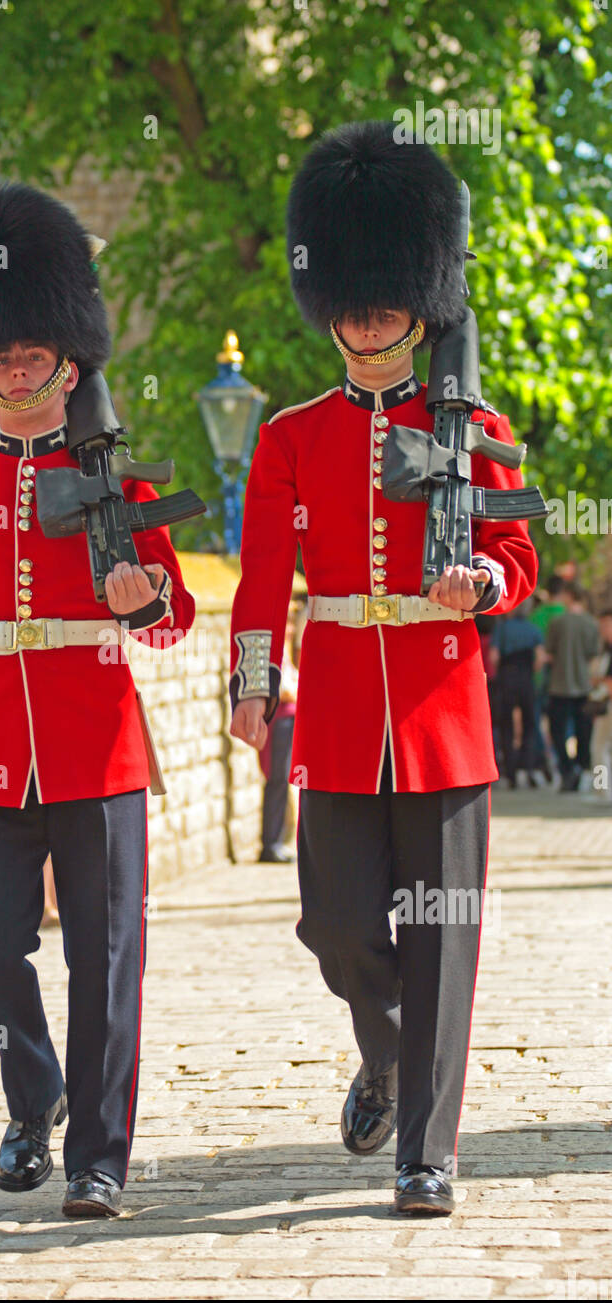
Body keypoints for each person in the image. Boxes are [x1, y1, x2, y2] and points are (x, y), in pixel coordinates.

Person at [229, 122, 538, 1216]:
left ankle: (428, 1154)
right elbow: (262, 577)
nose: (366, 319)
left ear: (420, 298)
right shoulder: (290, 437)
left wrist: (483, 587)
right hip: (343, 709)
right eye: (351, 302)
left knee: (442, 941)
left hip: (444, 708)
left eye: (384, 298)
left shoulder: (474, 425)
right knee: (339, 924)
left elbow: (515, 551)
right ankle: (390, 1056)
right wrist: (253, 685)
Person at [0, 180, 194, 1219]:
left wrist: (142, 592)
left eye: (33, 353)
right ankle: (36, 1094)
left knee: (105, 956)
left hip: (96, 748)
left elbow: (174, 616)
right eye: (1, 355)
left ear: (68, 360)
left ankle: (99, 1156)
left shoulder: (118, 481)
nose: (17, 368)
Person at [545, 582, 600, 791]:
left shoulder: (557, 622)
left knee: (558, 731)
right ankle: (580, 766)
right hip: (584, 684)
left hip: (559, 684)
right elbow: (593, 655)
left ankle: (567, 770)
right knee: (584, 731)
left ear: (568, 596)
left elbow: (549, 652)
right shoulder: (591, 623)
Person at [257, 602, 301, 862]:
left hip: (289, 718)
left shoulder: (284, 650)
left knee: (284, 781)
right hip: (279, 720)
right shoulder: (269, 651)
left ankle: (279, 840)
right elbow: (282, 689)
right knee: (277, 780)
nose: (291, 628)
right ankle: (270, 843)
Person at [492, 600, 545, 787]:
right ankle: (529, 767)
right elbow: (540, 658)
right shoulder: (533, 629)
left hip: (507, 678)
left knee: (506, 725)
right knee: (530, 724)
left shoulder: (502, 628)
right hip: (526, 679)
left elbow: (494, 656)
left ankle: (511, 773)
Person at [530, 574, 566, 779]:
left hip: (539, 674)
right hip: (564, 677)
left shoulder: (536, 615)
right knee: (561, 721)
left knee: (537, 717)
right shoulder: (567, 614)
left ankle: (544, 755)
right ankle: (561, 760)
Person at [586, 610, 612, 801]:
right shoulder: (605, 648)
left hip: (608, 703)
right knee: (599, 747)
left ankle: (603, 792)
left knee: (599, 748)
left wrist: (599, 680)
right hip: (604, 704)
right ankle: (602, 791)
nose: (602, 629)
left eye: (606, 625)